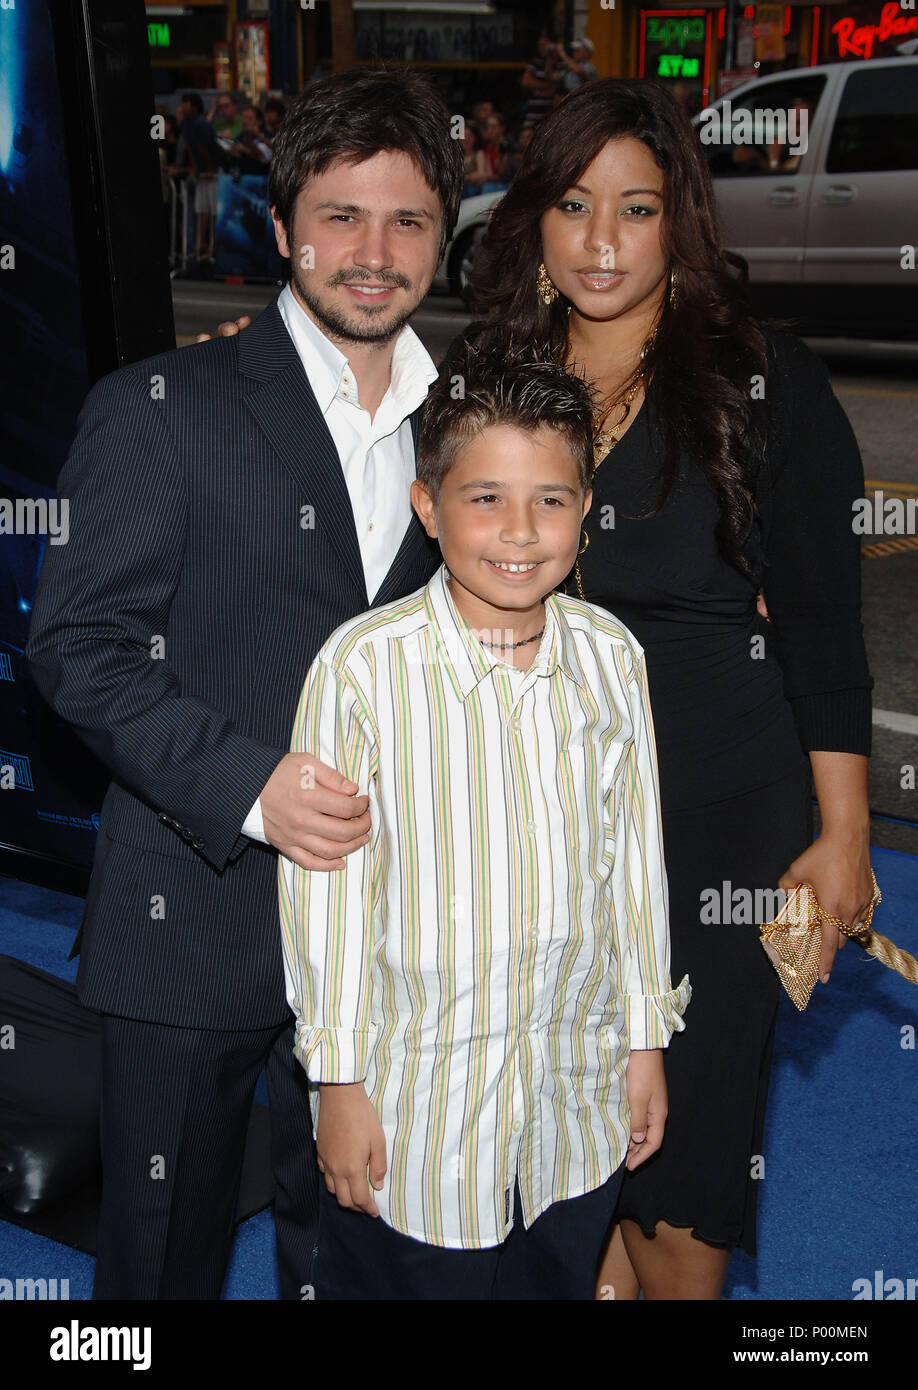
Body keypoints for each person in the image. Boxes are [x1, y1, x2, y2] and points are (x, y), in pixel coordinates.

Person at [25, 66, 464, 1301]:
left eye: (409, 220)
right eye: (339, 216)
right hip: (192, 923)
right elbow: (78, 644)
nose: (373, 254)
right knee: (161, 1270)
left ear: (445, 232)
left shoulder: (472, 430)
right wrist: (252, 783)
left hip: (398, 944)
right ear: (280, 230)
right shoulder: (160, 410)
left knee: (361, 1258)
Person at [464, 77, 874, 1300]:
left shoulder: (763, 380)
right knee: (574, 1178)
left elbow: (819, 624)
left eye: (635, 210)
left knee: (684, 1177)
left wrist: (845, 832)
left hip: (719, 827)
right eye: (575, 204)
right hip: (542, 833)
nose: (601, 240)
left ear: (678, 222)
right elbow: (409, 575)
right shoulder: (491, 378)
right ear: (533, 217)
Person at [279, 351, 690, 1300]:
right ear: (428, 508)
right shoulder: (361, 671)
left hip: (571, 1103)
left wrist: (642, 1042)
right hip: (420, 1118)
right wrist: (337, 1084)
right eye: (486, 498)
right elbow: (326, 894)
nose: (519, 532)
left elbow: (633, 868)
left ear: (586, 509)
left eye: (551, 501)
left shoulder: (612, 660)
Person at [521, 34, 561, 125]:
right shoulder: (535, 62)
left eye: (544, 45)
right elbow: (526, 81)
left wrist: (540, 90)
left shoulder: (560, 64)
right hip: (533, 114)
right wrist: (546, 85)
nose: (541, 48)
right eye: (539, 45)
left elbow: (555, 89)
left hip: (549, 115)